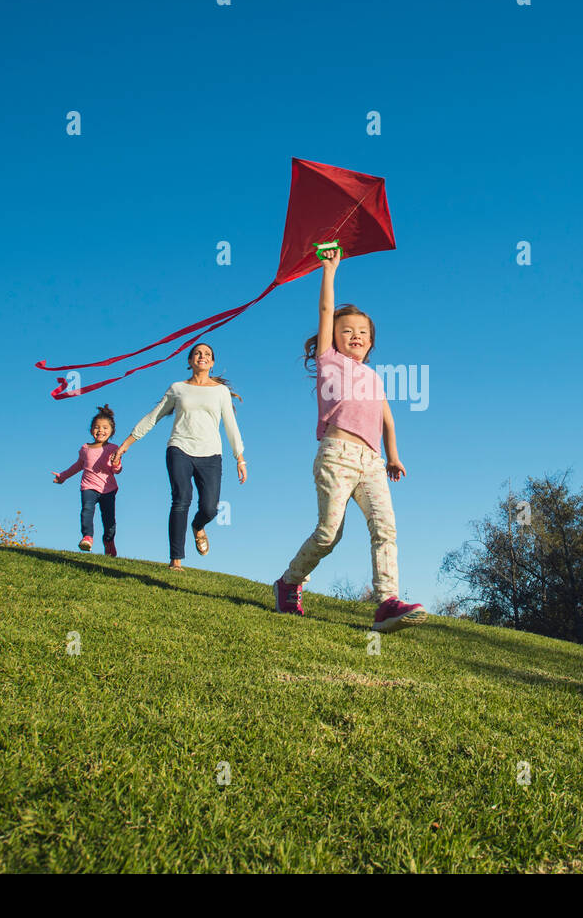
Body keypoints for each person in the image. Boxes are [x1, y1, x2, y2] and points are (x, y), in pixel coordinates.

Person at [273, 249, 427, 633]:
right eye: (347, 331)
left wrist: (393, 456)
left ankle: (387, 602)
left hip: (371, 462)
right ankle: (289, 582)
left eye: (362, 332)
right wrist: (330, 270)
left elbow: (387, 420)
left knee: (385, 528)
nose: (355, 335)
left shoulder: (375, 378)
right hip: (336, 456)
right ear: (335, 340)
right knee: (329, 534)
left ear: (371, 342)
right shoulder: (330, 362)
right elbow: (326, 311)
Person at [111, 343, 246, 570]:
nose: (202, 356)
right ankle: (176, 559)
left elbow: (231, 425)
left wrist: (239, 458)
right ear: (190, 361)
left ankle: (198, 526)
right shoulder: (177, 388)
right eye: (197, 353)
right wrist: (125, 444)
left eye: (207, 354)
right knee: (181, 498)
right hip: (179, 448)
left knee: (210, 508)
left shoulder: (220, 392)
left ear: (212, 363)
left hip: (211, 454)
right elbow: (153, 417)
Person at [52, 404, 123, 556]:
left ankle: (109, 541)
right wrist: (62, 477)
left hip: (108, 489)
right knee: (87, 511)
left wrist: (116, 463)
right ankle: (87, 537)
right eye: (97, 427)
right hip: (88, 486)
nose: (100, 431)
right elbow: (78, 466)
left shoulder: (113, 448)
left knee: (109, 519)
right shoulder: (85, 448)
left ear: (111, 431)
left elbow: (117, 470)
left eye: (105, 428)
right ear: (91, 430)